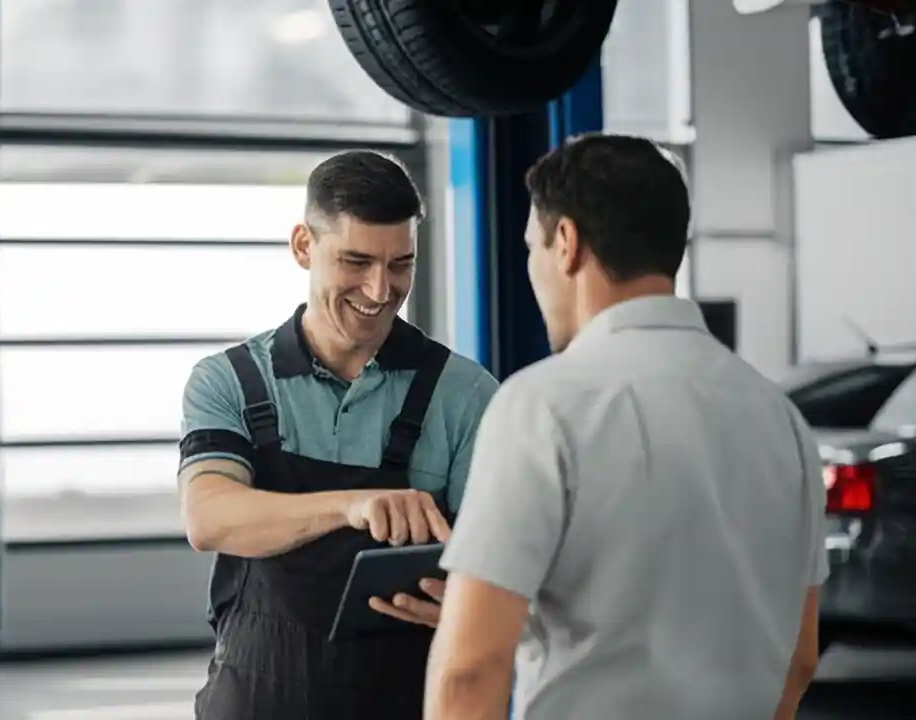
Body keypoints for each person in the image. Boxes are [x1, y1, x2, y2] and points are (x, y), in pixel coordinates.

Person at [426, 134, 828, 720]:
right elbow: (801, 658)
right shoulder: (780, 417)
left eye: (532, 248)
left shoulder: (543, 404)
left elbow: (468, 673)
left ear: (566, 244)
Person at [177, 149, 500, 719]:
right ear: (304, 245)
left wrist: (469, 604)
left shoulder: (466, 396)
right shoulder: (230, 381)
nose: (379, 290)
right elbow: (209, 518)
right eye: (357, 261)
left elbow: (500, 567)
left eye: (401, 264)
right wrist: (352, 506)